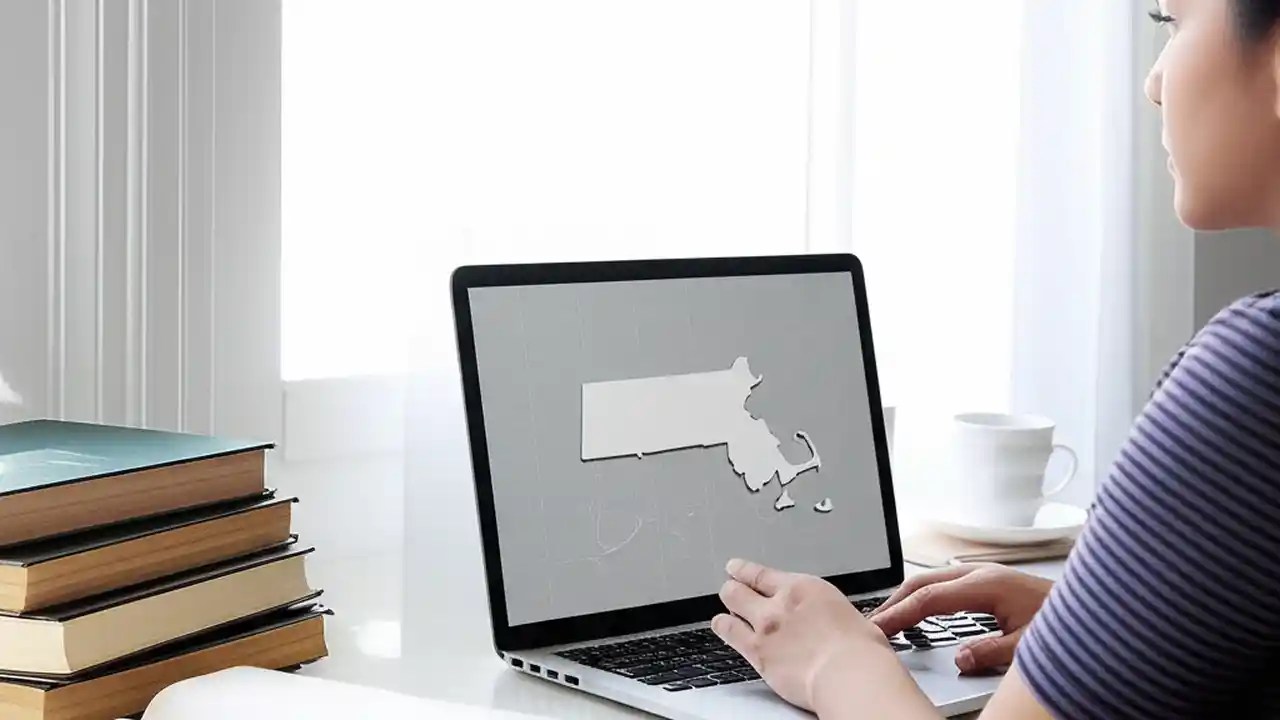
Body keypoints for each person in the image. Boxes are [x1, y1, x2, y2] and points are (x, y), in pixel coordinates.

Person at [709, 0, 1280, 717]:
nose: (1153, 82)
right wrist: (1104, 620)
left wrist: (835, 663)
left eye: (1171, 23)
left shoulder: (1257, 380)